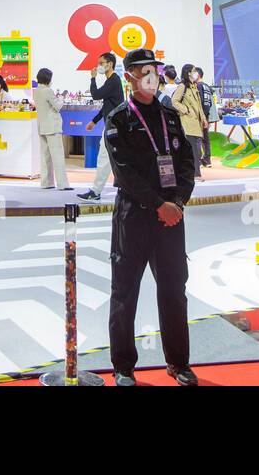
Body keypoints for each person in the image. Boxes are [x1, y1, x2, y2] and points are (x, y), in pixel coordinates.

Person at [104, 48, 196, 386]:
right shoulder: (118, 119)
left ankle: (178, 362)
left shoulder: (169, 115)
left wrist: (178, 202)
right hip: (135, 216)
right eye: (142, 70)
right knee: (125, 292)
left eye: (153, 70)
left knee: (174, 290)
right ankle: (123, 366)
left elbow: (187, 162)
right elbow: (125, 173)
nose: (150, 76)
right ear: (128, 77)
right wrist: (159, 204)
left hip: (172, 217)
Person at [79, 52, 124, 201]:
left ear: (109, 64)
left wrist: (92, 78)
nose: (99, 66)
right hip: (113, 125)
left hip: (114, 126)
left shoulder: (113, 81)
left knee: (104, 158)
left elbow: (96, 95)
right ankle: (122, 187)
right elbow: (106, 105)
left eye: (101, 63)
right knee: (114, 158)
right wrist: (94, 121)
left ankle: (96, 191)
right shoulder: (111, 81)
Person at [33, 68, 71, 190]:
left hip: (42, 126)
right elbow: (58, 106)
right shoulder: (48, 91)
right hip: (52, 127)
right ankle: (62, 184)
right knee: (58, 156)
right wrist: (62, 98)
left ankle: (46, 183)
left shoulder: (36, 91)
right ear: (48, 79)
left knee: (45, 157)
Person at [173, 64, 208, 178]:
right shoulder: (182, 86)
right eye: (193, 71)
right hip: (187, 124)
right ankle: (195, 174)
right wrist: (186, 110)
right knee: (194, 150)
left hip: (196, 124)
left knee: (197, 151)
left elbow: (199, 106)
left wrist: (203, 118)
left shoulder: (195, 87)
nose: (195, 73)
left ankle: (194, 174)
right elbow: (174, 101)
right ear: (188, 73)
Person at [195, 67, 214, 167]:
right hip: (206, 115)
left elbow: (199, 102)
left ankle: (199, 161)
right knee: (205, 139)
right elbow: (210, 103)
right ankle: (207, 160)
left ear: (197, 75)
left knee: (198, 138)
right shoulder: (207, 87)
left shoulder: (198, 86)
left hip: (200, 116)